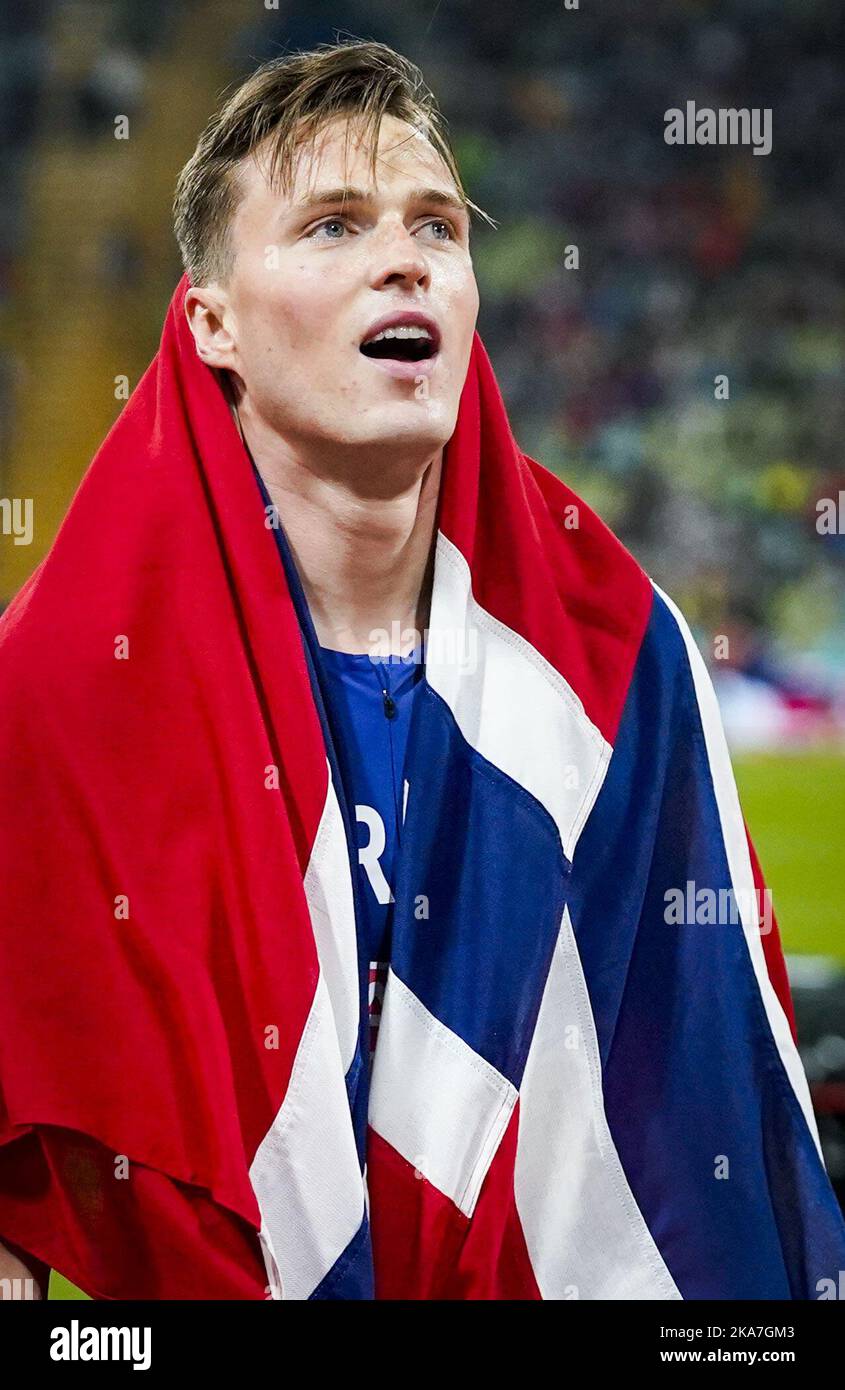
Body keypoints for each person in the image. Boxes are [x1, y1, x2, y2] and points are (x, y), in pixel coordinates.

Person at [0, 40, 843, 1302]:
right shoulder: (57, 699)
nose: (406, 256)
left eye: (436, 227)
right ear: (210, 321)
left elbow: (697, 1123)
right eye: (332, 225)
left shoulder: (620, 664)